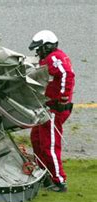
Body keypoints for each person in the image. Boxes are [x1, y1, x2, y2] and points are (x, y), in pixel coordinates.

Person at [28, 30, 75, 192]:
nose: (37, 52)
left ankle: (59, 181)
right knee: (36, 139)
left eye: (39, 48)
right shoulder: (51, 58)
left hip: (54, 110)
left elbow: (66, 74)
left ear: (47, 46)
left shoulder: (54, 58)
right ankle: (43, 175)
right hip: (47, 109)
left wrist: (62, 99)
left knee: (49, 146)